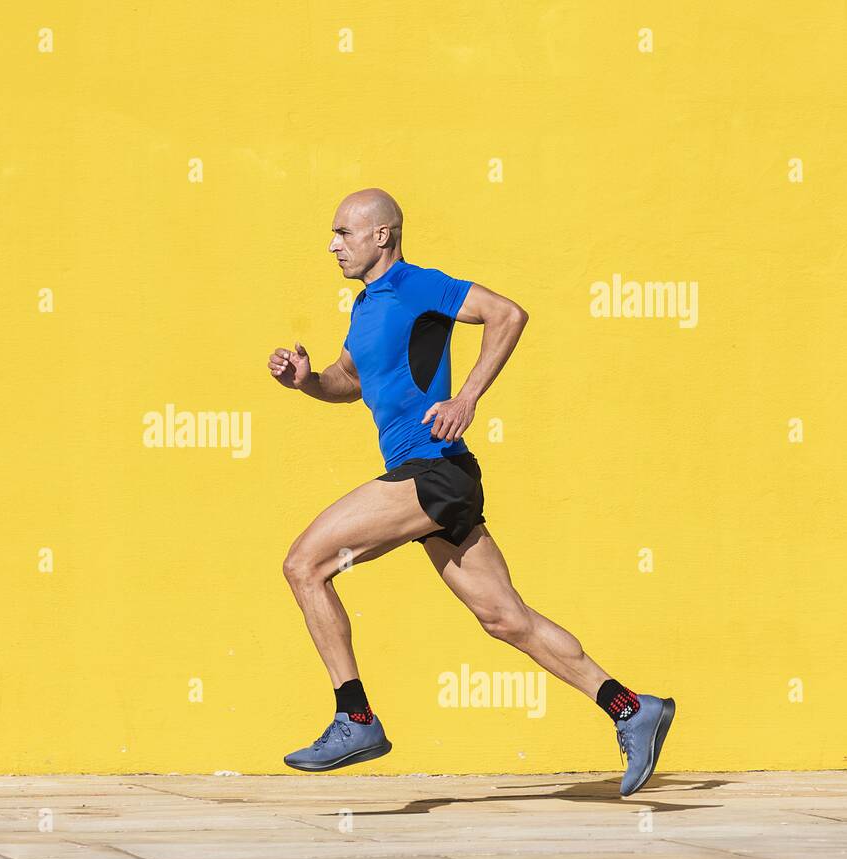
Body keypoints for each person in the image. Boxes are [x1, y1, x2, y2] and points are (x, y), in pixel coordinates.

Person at [267, 188, 674, 796]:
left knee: (304, 564)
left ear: (383, 236)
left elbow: (508, 314)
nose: (332, 245)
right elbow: (346, 381)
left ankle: (355, 717)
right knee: (505, 618)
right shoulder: (367, 306)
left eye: (343, 233)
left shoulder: (417, 285)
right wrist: (307, 382)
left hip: (430, 471)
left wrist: (467, 398)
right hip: (441, 480)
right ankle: (631, 708)